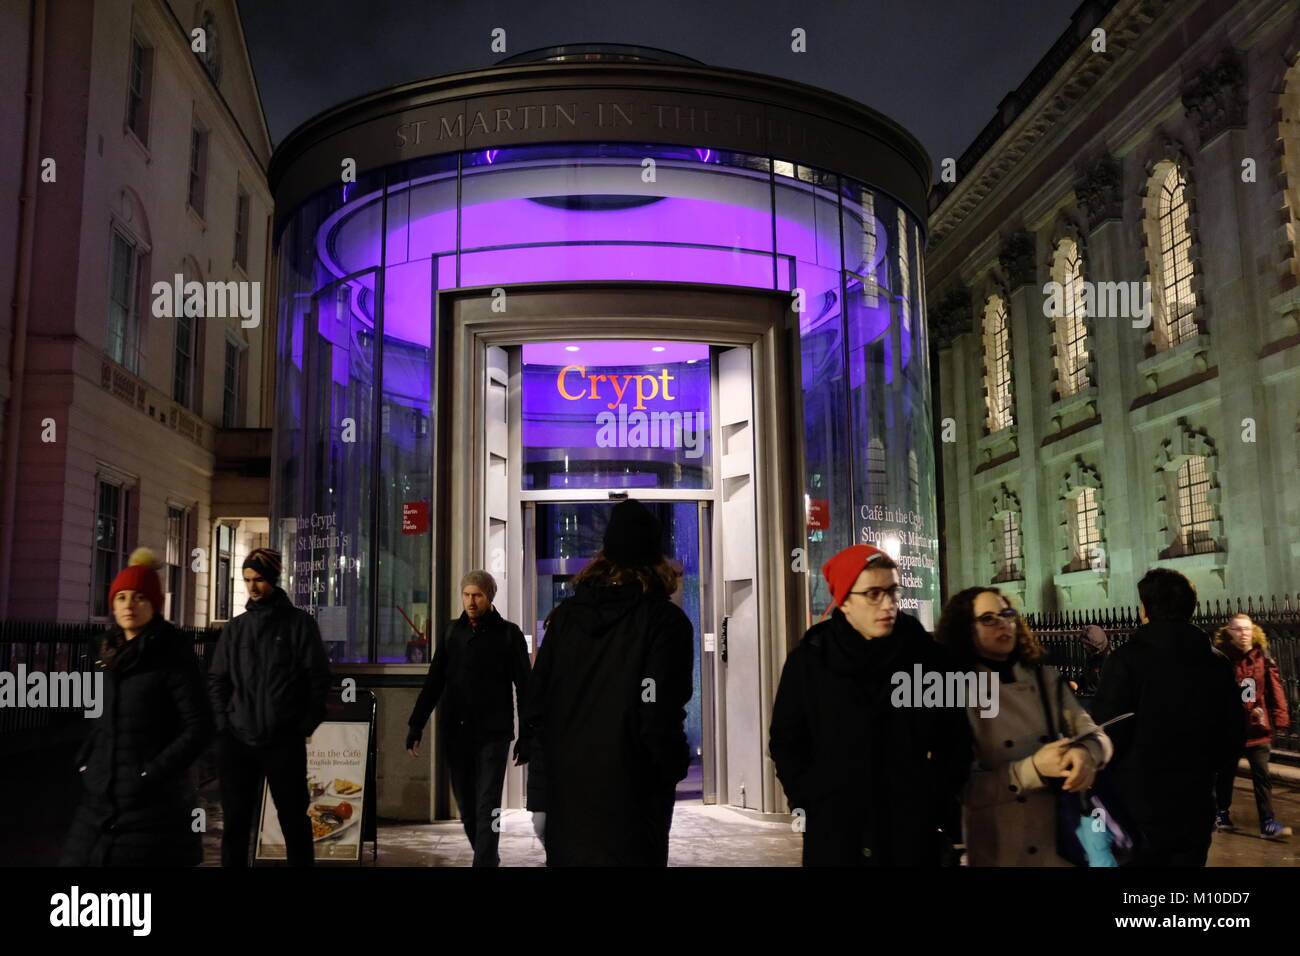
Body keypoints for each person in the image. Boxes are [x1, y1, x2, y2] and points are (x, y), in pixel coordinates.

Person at [769, 544, 971, 866]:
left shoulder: (927, 657)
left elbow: (956, 739)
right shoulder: (810, 660)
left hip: (910, 830)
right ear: (845, 601)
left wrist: (932, 799)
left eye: (893, 591)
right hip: (836, 831)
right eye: (874, 593)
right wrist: (810, 799)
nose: (888, 604)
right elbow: (787, 740)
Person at [521, 499, 693, 866]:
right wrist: (670, 767)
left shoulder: (565, 619)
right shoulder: (665, 623)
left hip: (570, 798)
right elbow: (657, 708)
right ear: (655, 557)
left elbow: (538, 700)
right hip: (634, 798)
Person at [935, 587, 1112, 866]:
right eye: (989, 619)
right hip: (998, 849)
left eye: (1007, 614)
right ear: (965, 629)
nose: (1003, 623)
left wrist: (1086, 754)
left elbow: (1096, 735)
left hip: (1059, 845)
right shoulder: (953, 692)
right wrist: (1033, 769)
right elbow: (960, 788)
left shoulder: (1045, 680)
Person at [61, 548, 214, 866]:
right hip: (100, 799)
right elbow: (100, 722)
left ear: (155, 605)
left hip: (155, 806)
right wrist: (88, 762)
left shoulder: (172, 655)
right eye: (122, 597)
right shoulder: (106, 656)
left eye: (140, 597)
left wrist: (150, 772)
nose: (129, 605)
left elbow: (199, 726)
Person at [1090, 568, 1244, 867]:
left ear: (1145, 609)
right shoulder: (1217, 664)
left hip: (1139, 806)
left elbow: (1107, 732)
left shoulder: (1125, 660)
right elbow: (1233, 735)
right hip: (1195, 802)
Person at [208, 547, 332, 867]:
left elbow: (318, 679)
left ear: (274, 579)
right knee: (236, 823)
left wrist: (302, 725)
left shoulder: (299, 624)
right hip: (237, 740)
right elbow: (218, 680)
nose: (252, 586)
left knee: (293, 819)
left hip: (283, 739)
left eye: (259, 579)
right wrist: (224, 726)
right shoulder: (236, 628)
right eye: (248, 579)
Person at [406, 570, 530, 867]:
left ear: (489, 597)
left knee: (488, 804)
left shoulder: (509, 634)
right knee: (467, 806)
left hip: (494, 733)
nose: (471, 601)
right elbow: (434, 682)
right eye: (467, 595)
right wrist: (416, 724)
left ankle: (484, 862)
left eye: (478, 595)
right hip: (457, 731)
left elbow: (526, 688)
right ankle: (487, 855)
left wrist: (528, 734)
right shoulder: (451, 632)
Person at [1213, 614, 1292, 839]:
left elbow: (1274, 688)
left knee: (1262, 776)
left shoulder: (1262, 657)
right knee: (1226, 774)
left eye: (1247, 628)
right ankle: (1222, 811)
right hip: (1229, 729)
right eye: (1238, 629)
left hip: (1257, 728)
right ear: (1229, 632)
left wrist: (1280, 718)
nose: (1244, 633)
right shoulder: (1221, 659)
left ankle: (1267, 822)